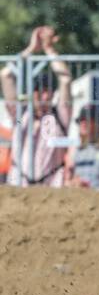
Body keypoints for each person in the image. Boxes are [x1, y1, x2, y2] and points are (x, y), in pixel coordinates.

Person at [1, 26, 72, 188]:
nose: (44, 96)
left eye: (47, 91)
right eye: (39, 91)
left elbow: (65, 79)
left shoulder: (60, 115)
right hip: (19, 184)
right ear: (31, 94)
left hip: (52, 184)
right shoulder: (20, 114)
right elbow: (5, 75)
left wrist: (49, 50)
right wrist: (31, 49)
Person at [65, 106, 99, 190]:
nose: (83, 123)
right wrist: (74, 183)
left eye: (87, 120)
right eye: (81, 120)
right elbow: (67, 180)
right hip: (76, 193)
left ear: (98, 124)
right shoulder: (74, 148)